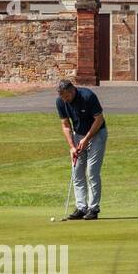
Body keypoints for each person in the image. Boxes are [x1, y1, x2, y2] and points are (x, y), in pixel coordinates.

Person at [56, 78, 107, 221]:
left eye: (66, 96)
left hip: (97, 134)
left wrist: (87, 139)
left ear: (72, 90)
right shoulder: (60, 101)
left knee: (92, 171)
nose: (64, 100)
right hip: (78, 135)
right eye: (62, 97)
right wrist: (72, 147)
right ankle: (81, 207)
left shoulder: (88, 96)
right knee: (77, 171)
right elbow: (66, 125)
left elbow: (99, 119)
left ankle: (93, 208)